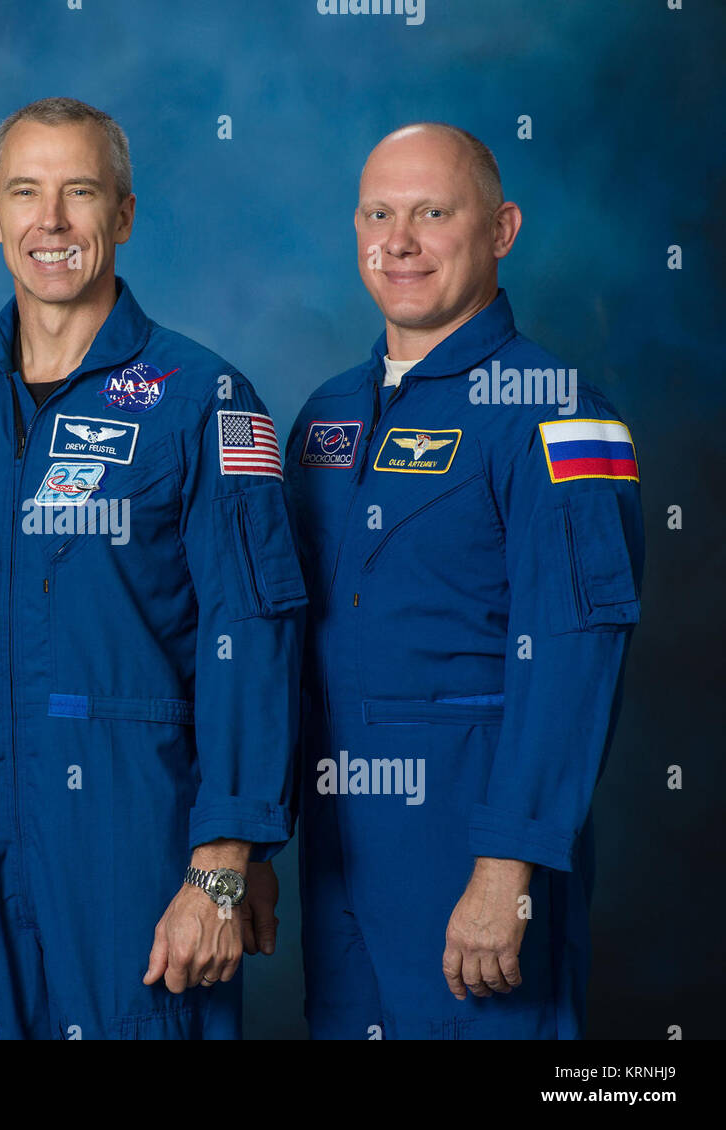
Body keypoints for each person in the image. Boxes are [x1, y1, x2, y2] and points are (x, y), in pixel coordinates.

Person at [0, 97, 304, 1039]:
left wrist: (220, 870)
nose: (50, 223)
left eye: (79, 194)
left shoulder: (203, 400)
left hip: (139, 845)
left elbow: (251, 641)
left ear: (122, 216)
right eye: (26, 193)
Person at [286, 122, 643, 1039]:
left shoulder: (557, 413)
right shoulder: (326, 417)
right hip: (336, 845)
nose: (398, 241)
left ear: (501, 229)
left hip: (471, 835)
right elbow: (285, 641)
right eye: (378, 213)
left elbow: (574, 653)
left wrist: (508, 865)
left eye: (432, 213)